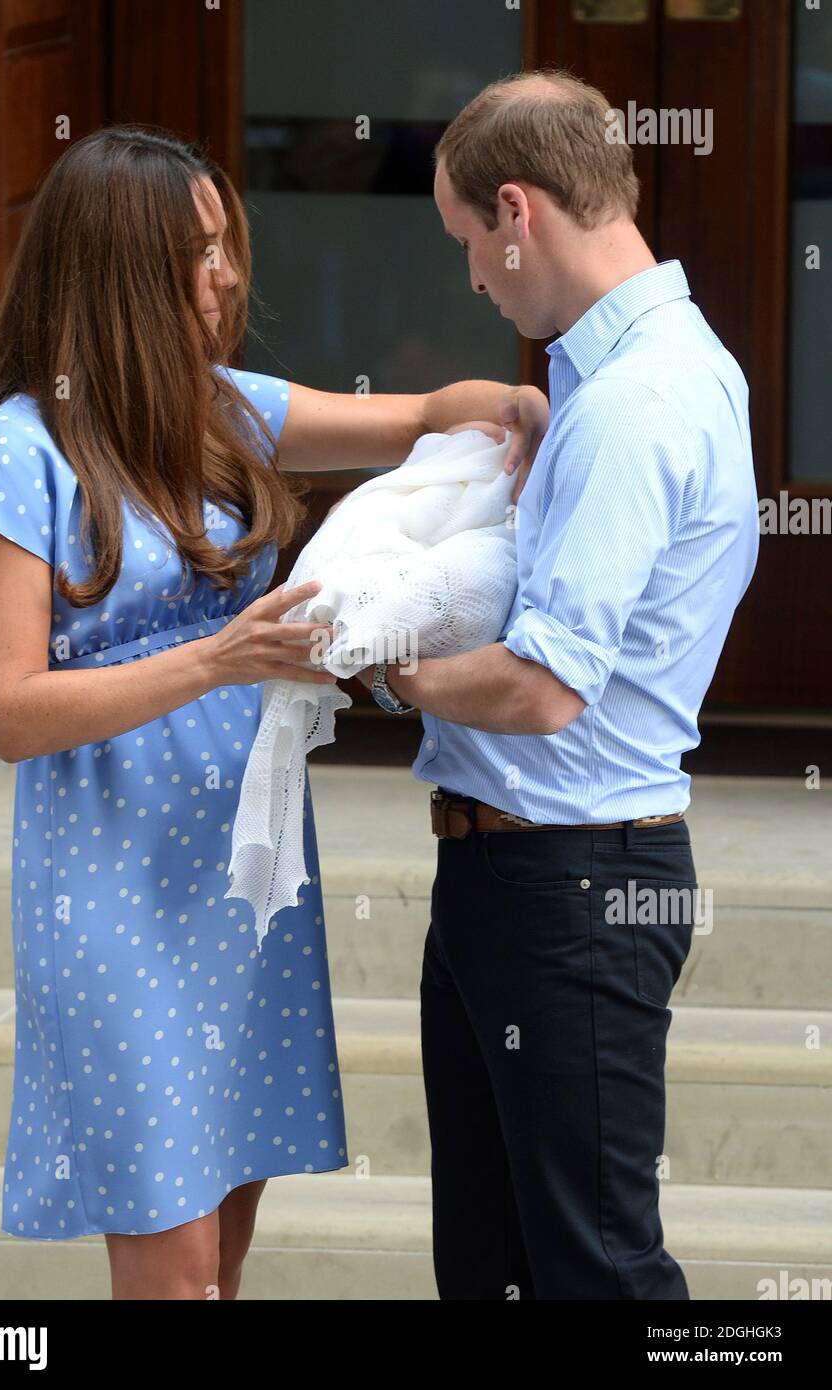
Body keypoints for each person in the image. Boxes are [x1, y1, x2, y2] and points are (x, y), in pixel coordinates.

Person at [0, 125, 548, 1300]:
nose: (227, 278)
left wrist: (520, 404)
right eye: (197, 257)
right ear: (116, 274)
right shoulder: (19, 455)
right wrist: (220, 659)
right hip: (111, 886)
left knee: (224, 1260)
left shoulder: (212, 409)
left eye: (225, 248)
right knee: (173, 1268)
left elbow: (420, 416)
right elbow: (6, 711)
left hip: (241, 876)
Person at [359, 70, 760, 1300]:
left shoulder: (636, 402)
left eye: (470, 242)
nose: (473, 277)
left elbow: (542, 687)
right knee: (496, 1270)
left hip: (572, 883)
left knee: (598, 1276)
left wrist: (380, 666)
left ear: (518, 211)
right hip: (523, 877)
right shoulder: (616, 376)